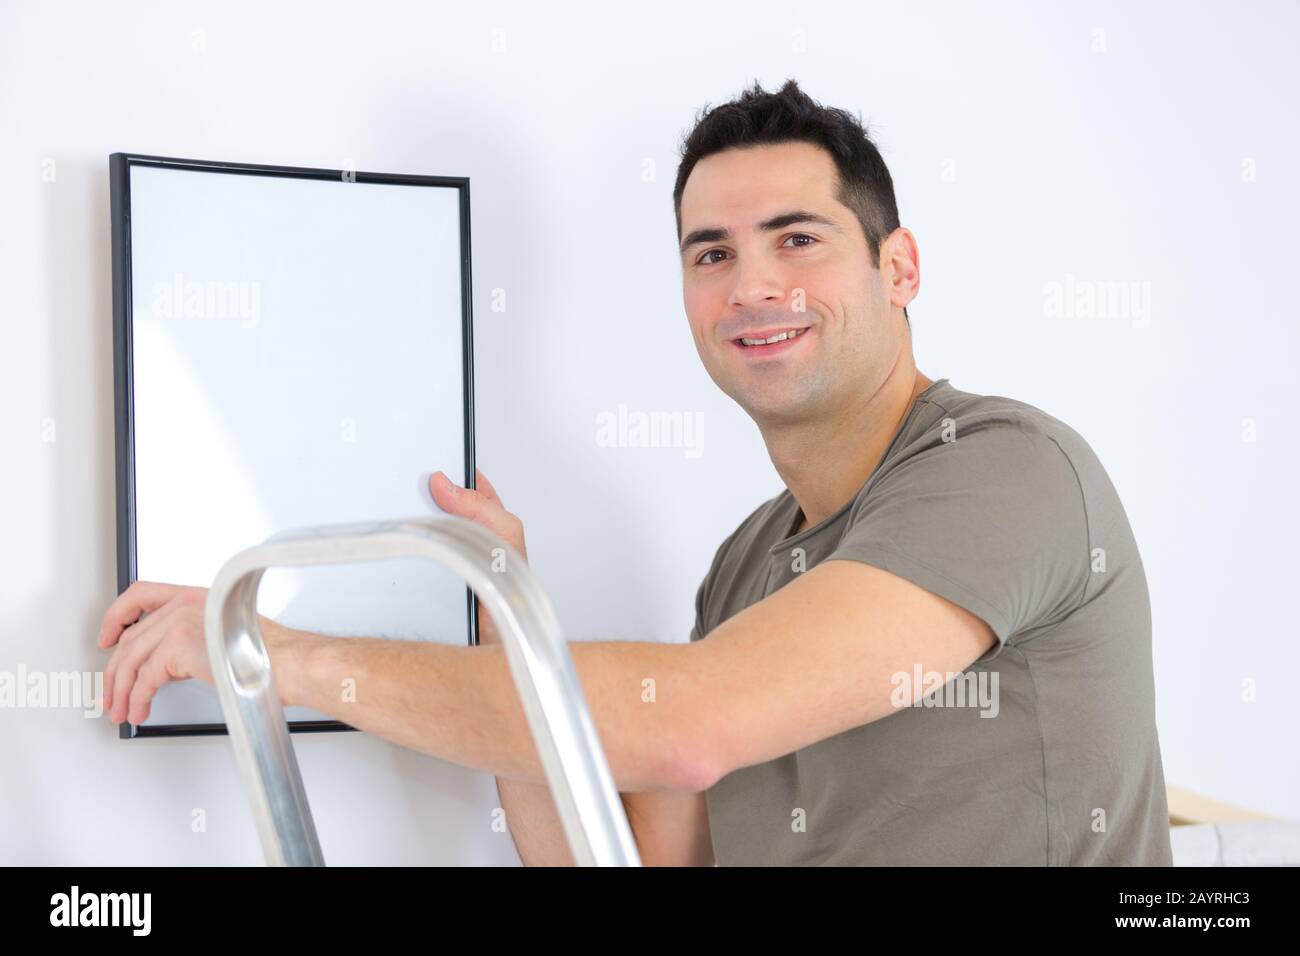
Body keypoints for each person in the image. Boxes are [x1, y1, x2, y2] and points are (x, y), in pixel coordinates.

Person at [97, 79, 1171, 866]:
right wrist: (504, 603)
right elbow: (627, 854)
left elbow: (690, 724)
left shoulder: (1005, 473)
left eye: (796, 239)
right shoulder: (749, 561)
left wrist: (267, 651)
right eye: (711, 253)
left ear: (900, 267)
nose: (752, 285)